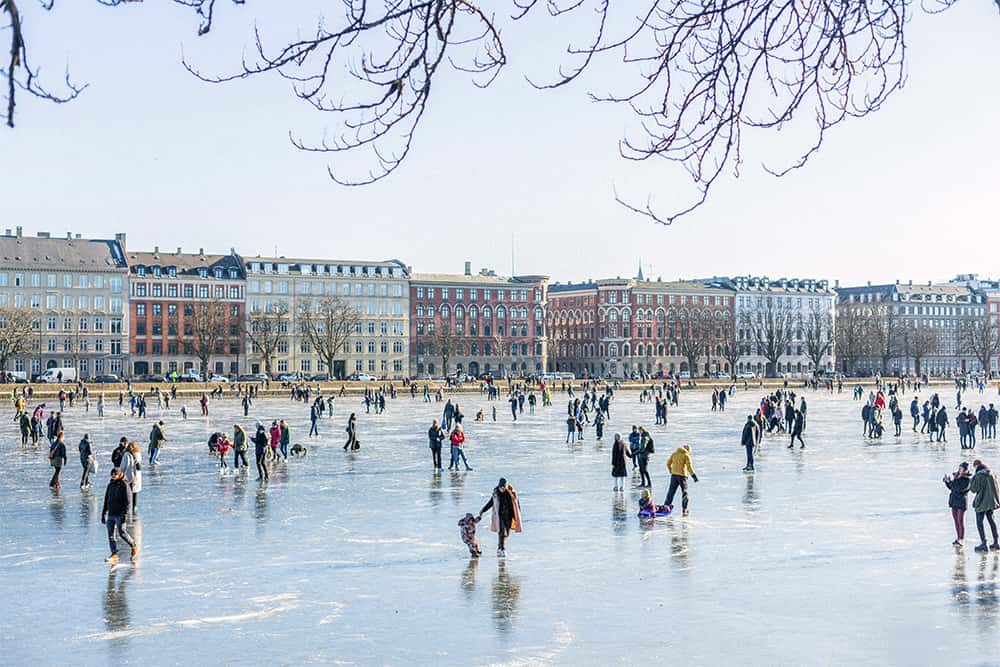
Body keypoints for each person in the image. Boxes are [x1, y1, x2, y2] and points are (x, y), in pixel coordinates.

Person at [101, 468, 137, 564]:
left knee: (122, 532)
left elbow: (128, 501)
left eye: (115, 474)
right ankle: (114, 553)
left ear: (119, 474)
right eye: (112, 474)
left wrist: (124, 514)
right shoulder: (110, 485)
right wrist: (103, 513)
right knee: (111, 535)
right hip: (111, 514)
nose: (114, 476)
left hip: (119, 514)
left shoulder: (124, 485)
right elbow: (106, 499)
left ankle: (133, 546)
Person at [478, 478, 522, 556]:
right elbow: (490, 503)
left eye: (503, 488)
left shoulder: (512, 494)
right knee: (502, 532)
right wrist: (483, 510)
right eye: (501, 487)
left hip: (509, 516)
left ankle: (499, 548)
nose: (502, 489)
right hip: (500, 516)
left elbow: (516, 505)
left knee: (506, 533)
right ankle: (502, 549)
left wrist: (517, 516)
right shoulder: (496, 494)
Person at [969, 459, 1000, 552]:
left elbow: (973, 489)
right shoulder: (992, 474)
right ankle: (996, 542)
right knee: (991, 521)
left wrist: (972, 479)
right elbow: (997, 488)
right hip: (991, 502)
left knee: (979, 523)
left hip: (981, 502)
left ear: (977, 466)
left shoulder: (978, 476)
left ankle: (983, 543)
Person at [664, 444, 698, 517]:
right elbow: (689, 467)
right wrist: (693, 476)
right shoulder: (686, 455)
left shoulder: (674, 454)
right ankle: (684, 509)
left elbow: (668, 463)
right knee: (684, 493)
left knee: (671, 492)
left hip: (674, 476)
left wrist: (671, 470)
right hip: (682, 476)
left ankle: (666, 506)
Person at [944, 462, 972, 547]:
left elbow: (960, 489)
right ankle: (958, 538)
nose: (960, 470)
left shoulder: (967, 479)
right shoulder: (956, 476)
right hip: (954, 501)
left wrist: (951, 482)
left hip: (961, 502)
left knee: (960, 520)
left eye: (962, 468)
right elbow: (952, 488)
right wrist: (947, 482)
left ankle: (961, 539)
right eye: (959, 468)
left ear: (965, 470)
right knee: (956, 520)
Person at [120, 441, 142, 515]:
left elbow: (123, 466)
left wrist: (121, 474)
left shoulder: (126, 455)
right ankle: (134, 507)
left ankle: (127, 508)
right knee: (135, 493)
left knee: (127, 493)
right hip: (137, 477)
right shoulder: (138, 454)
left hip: (129, 476)